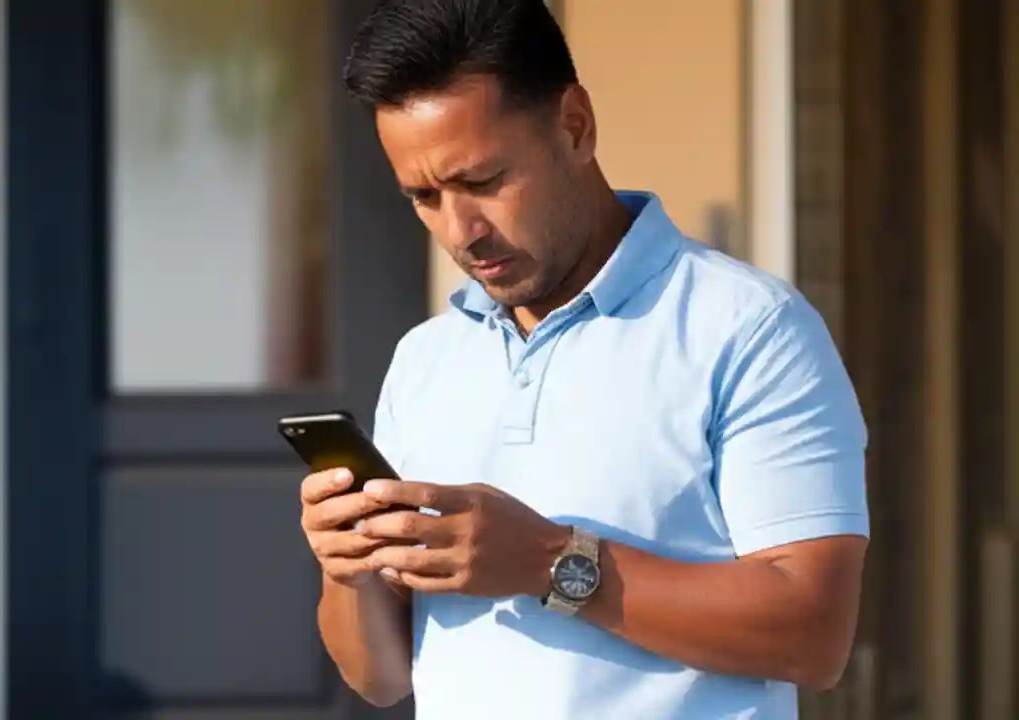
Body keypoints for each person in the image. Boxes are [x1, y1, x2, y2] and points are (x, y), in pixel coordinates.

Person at [296, 1, 869, 717]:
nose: (460, 230)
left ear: (575, 126)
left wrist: (547, 561)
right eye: (424, 197)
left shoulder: (750, 330)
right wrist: (346, 570)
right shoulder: (426, 359)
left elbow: (814, 637)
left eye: (482, 181)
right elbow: (380, 678)